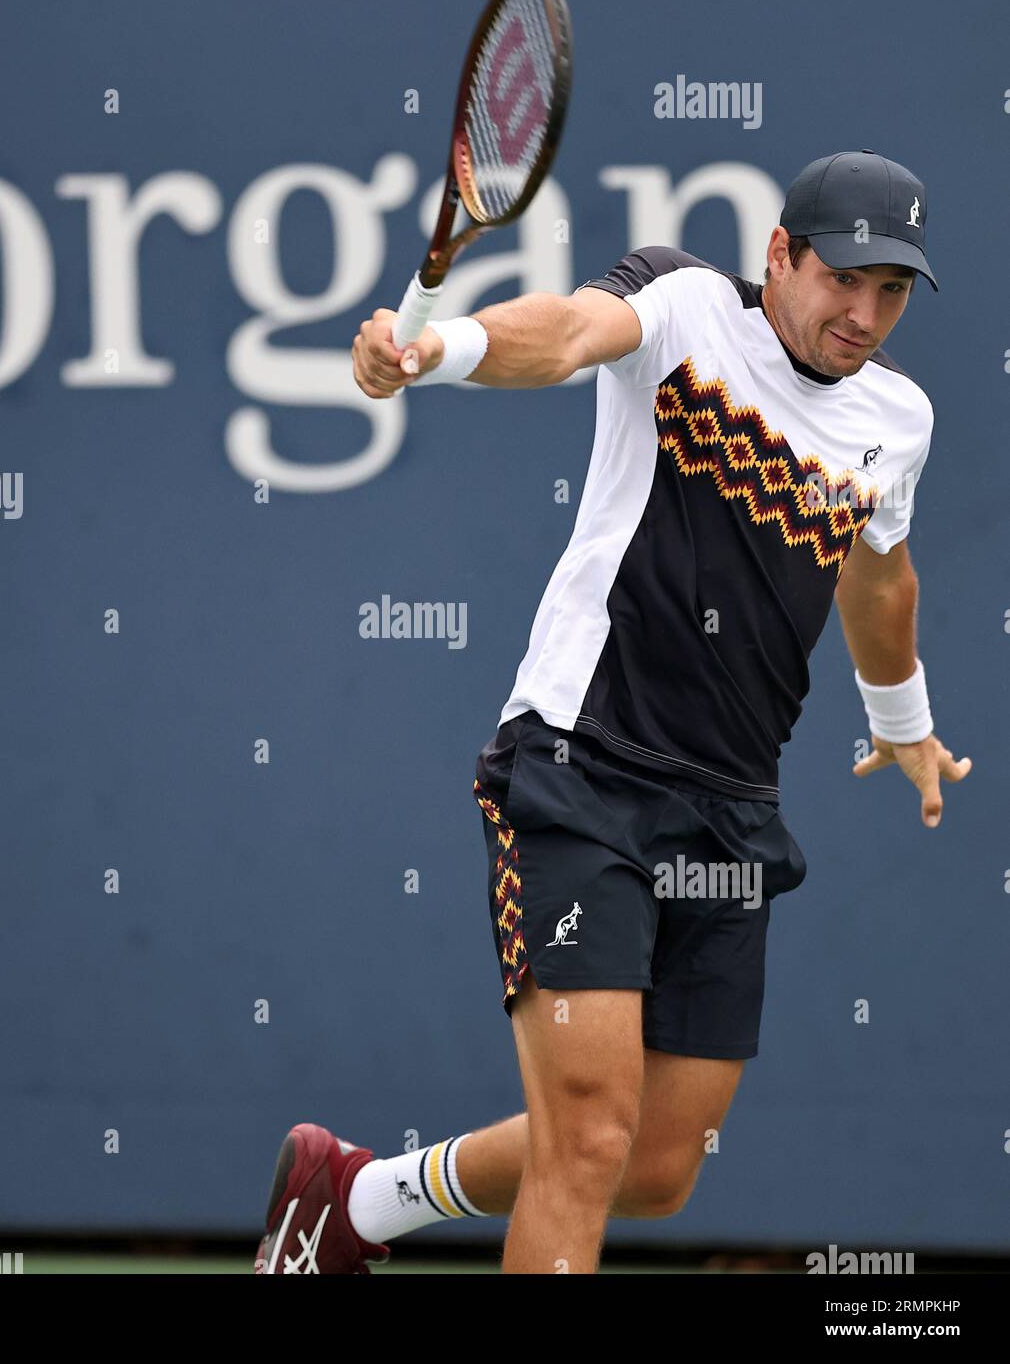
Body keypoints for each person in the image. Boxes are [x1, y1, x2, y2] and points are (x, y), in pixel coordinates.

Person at [254, 150, 971, 1275]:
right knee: (587, 1137)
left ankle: (363, 1196)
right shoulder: (686, 308)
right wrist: (435, 352)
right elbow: (568, 331)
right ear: (779, 255)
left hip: (733, 811)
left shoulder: (897, 420)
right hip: (580, 771)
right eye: (843, 279)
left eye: (890, 293)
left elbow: (880, 574)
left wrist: (902, 719)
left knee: (654, 1167)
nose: (864, 314)